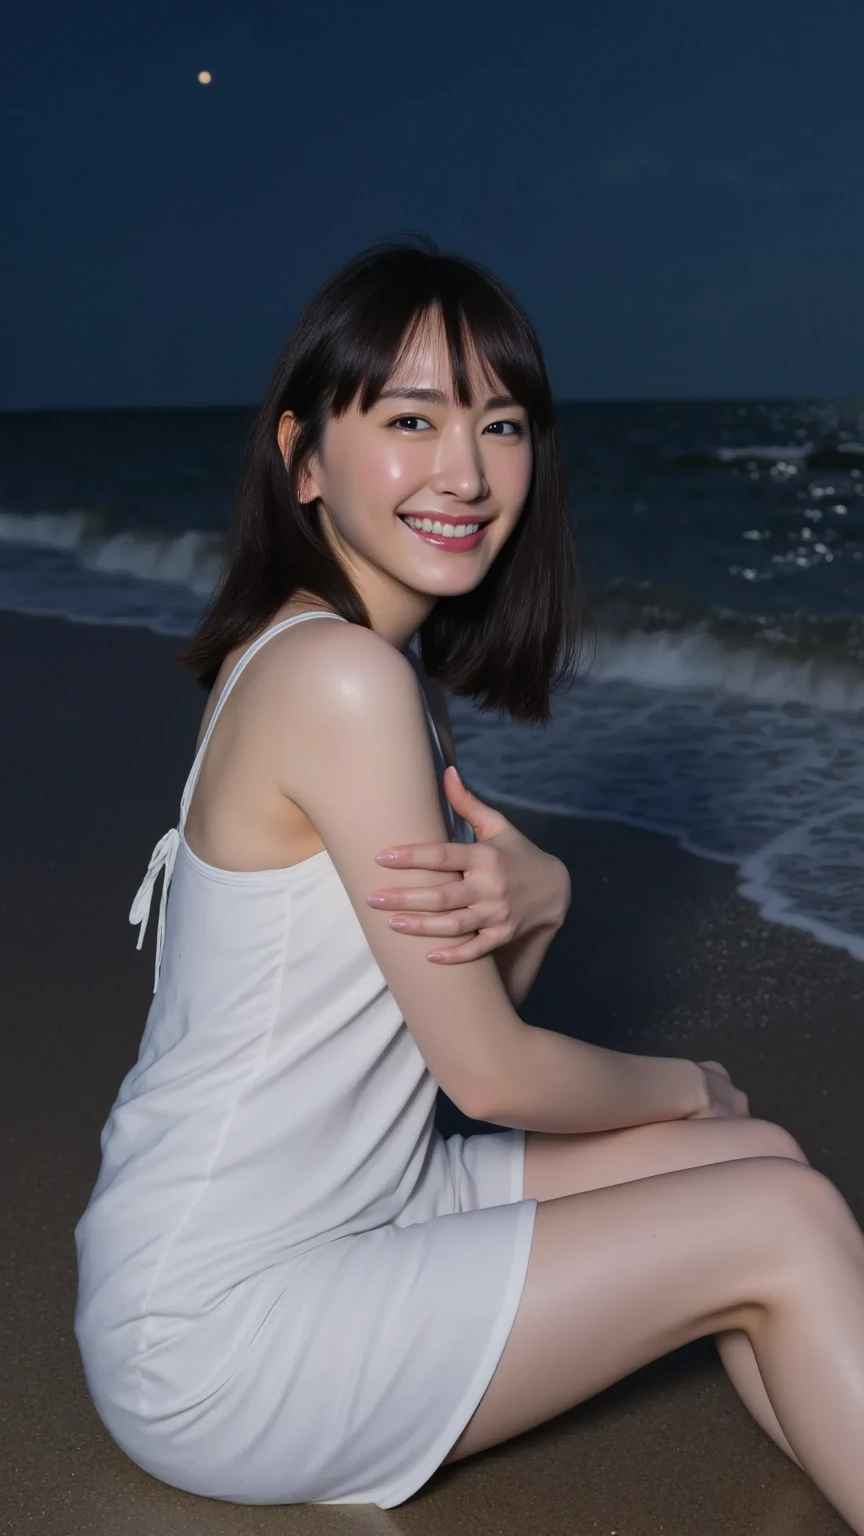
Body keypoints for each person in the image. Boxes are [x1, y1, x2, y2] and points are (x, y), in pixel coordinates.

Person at [73, 239, 864, 1529]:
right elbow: (486, 1076)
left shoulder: (337, 659)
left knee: (755, 1159)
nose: (467, 471)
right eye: (411, 418)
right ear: (303, 455)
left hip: (353, 1198)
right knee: (774, 1206)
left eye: (500, 423)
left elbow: (420, 1040)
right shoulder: (340, 678)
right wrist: (684, 1080)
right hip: (223, 1323)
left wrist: (537, 903)